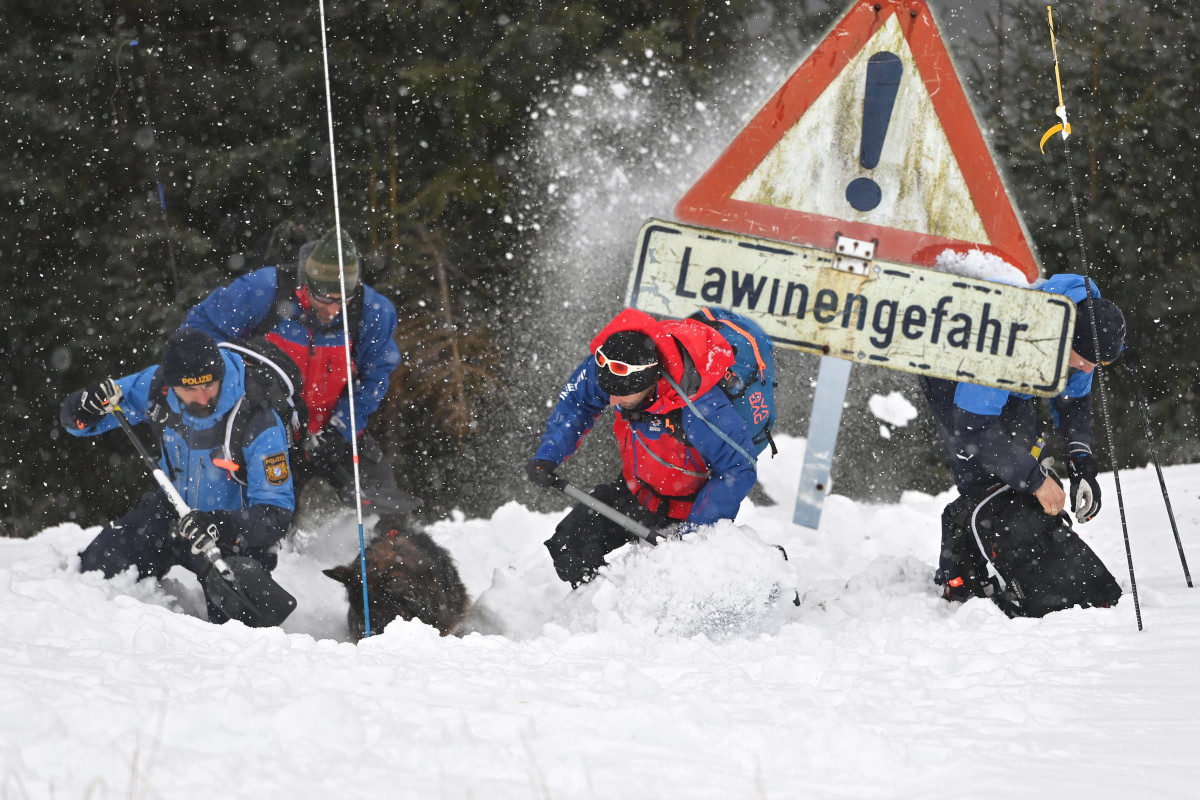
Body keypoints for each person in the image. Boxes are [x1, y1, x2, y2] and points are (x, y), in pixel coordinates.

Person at [918, 273, 1126, 608]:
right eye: (1085, 360)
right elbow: (974, 427)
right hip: (953, 370)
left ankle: (1033, 563)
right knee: (989, 477)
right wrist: (1035, 481)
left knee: (1025, 464)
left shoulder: (1082, 327)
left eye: (1098, 364)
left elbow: (1073, 402)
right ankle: (963, 578)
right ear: (1062, 339)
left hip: (1013, 383)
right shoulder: (1012, 338)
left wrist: (1080, 460)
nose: (1088, 370)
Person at [63, 328, 295, 623]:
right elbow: (79, 423)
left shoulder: (257, 419)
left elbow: (276, 514)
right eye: (189, 388)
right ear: (172, 386)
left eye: (209, 385)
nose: (202, 396)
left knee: (237, 632)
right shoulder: (155, 388)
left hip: (231, 533)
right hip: (171, 514)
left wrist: (219, 525)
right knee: (95, 571)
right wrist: (82, 405)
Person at [183, 228, 416, 512]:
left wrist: (341, 428)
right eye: (324, 298)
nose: (333, 310)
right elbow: (197, 332)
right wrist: (234, 379)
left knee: (382, 498)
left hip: (328, 429)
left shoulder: (373, 313)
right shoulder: (264, 291)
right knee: (265, 517)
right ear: (305, 283)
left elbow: (375, 377)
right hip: (262, 431)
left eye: (342, 300)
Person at [527, 308, 758, 587]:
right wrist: (548, 455)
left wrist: (694, 538)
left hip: (688, 512)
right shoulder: (612, 365)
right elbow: (578, 401)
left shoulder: (701, 408)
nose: (611, 401)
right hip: (637, 493)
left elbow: (738, 469)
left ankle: (764, 565)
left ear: (650, 383)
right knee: (570, 548)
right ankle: (598, 611)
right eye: (607, 392)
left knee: (677, 584)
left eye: (621, 396)